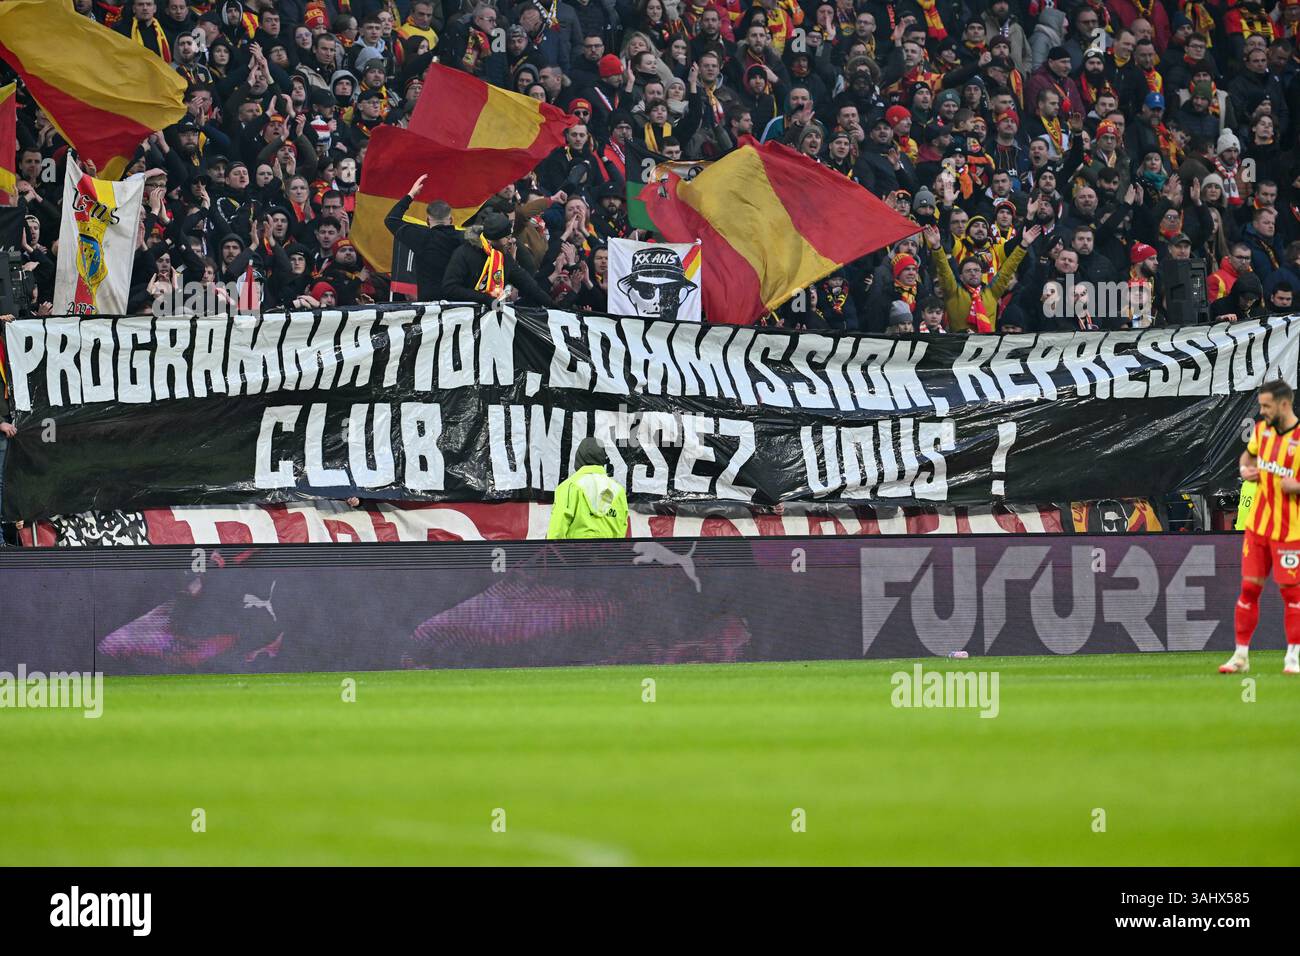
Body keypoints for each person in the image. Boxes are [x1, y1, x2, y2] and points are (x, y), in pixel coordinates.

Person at [1225, 379, 1300, 675]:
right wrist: (1245, 469)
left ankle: (1293, 656)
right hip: (1257, 526)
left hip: (1288, 531)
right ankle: (1240, 656)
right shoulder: (1261, 431)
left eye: (1266, 406)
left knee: (1292, 595)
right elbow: (1249, 455)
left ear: (1284, 404)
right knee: (1248, 588)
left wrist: (1296, 486)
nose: (1262, 411)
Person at [385, 175, 460, 301]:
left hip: (429, 307)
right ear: (451, 220)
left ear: (427, 221)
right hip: (459, 305)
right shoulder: (463, 238)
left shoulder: (419, 236)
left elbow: (391, 220)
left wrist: (411, 194)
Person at [546, 437, 628, 539]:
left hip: (575, 553)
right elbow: (621, 529)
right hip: (610, 553)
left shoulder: (569, 487)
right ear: (602, 459)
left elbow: (556, 532)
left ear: (579, 458)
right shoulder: (618, 490)